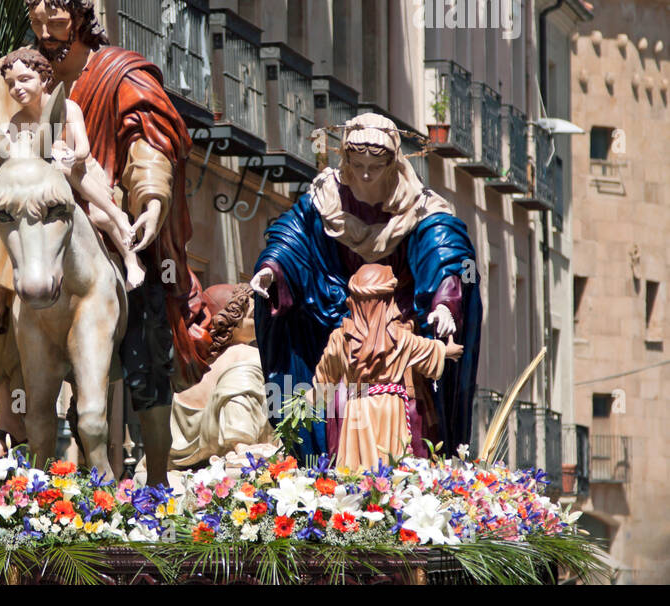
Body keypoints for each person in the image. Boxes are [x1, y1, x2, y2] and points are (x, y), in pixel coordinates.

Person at [0, 0, 213, 481]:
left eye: (58, 20)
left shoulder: (117, 75)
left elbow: (148, 141)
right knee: (23, 216)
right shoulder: (11, 75)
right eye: (38, 22)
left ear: (80, 18)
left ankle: (157, 470)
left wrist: (152, 198)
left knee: (146, 342)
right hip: (33, 207)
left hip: (104, 200)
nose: (47, 31)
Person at [250, 112, 481, 458]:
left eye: (375, 166)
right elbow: (291, 240)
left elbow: (447, 253)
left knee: (413, 426)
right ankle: (321, 467)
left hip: (403, 323)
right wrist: (273, 268)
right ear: (345, 161)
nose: (366, 174)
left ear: (393, 164)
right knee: (335, 426)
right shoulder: (325, 199)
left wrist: (445, 302)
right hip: (334, 319)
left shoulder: (418, 206)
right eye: (357, 165)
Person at [0, 48, 146, 327]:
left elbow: (82, 147)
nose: (17, 88)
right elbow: (1, 151)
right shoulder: (18, 120)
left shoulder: (67, 108)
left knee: (92, 207)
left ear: (45, 78)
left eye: (24, 79)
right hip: (43, 185)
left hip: (79, 172)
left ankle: (128, 251)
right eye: (11, 84)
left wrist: (74, 156)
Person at [309, 263, 463, 470]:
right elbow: (435, 352)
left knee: (357, 473)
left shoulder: (341, 339)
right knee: (391, 475)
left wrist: (302, 403)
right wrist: (449, 350)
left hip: (357, 409)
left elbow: (323, 382)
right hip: (392, 410)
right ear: (387, 302)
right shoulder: (402, 339)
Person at [169, 283, 277, 470]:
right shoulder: (246, 355)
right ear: (227, 322)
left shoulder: (194, 369)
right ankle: (241, 443)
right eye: (253, 316)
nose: (261, 320)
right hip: (239, 450)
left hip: (178, 455)